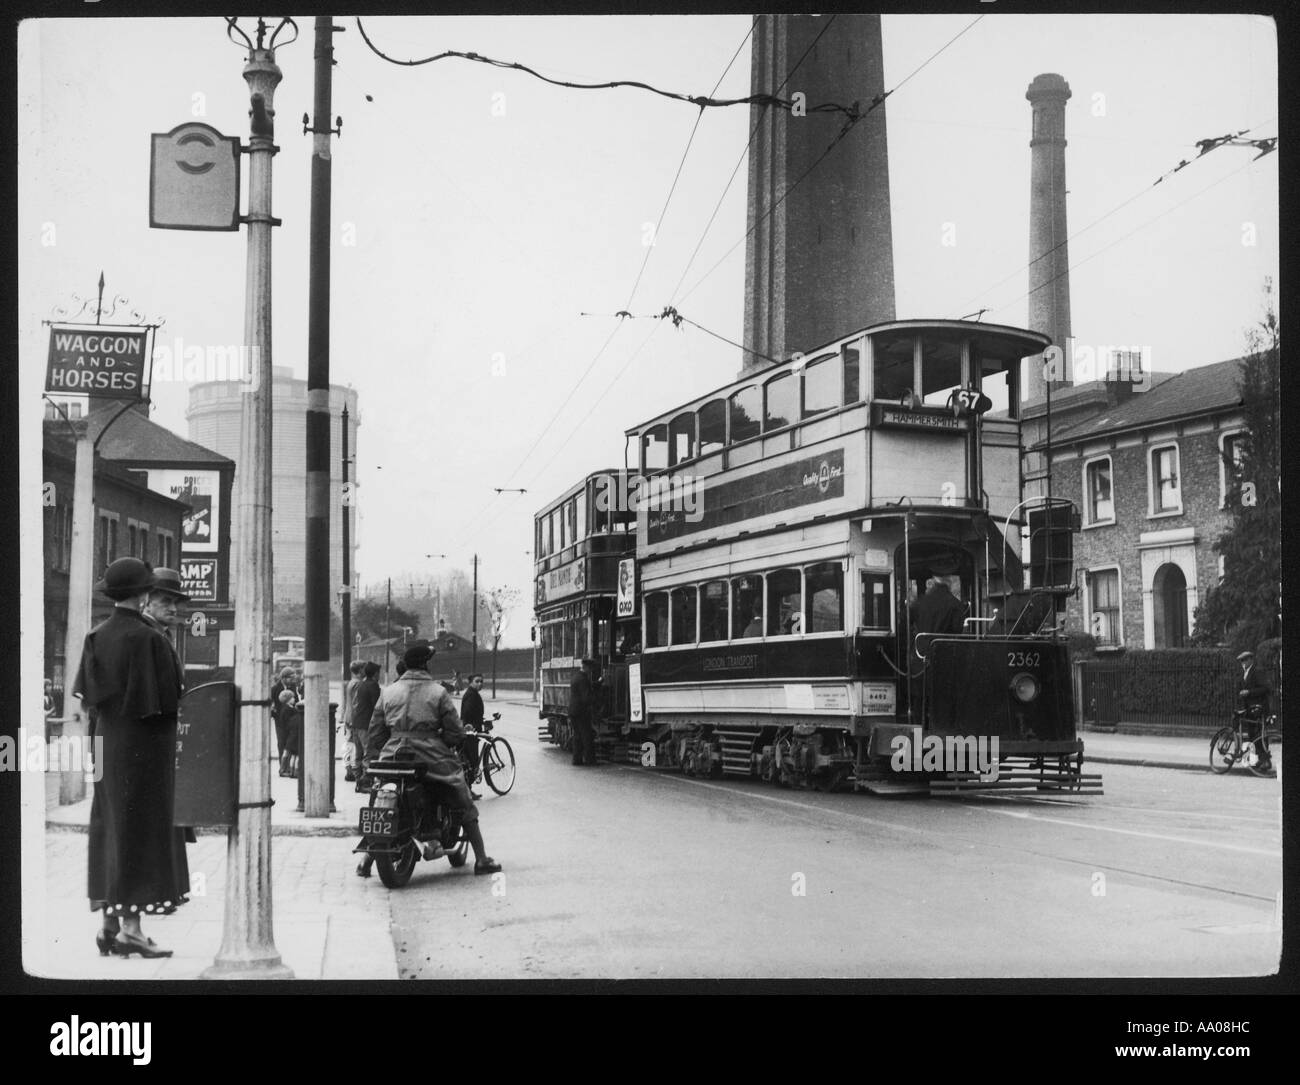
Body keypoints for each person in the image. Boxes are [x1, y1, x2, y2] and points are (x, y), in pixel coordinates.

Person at [73, 558, 190, 959]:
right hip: (144, 749)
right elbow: (169, 702)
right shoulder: (150, 638)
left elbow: (88, 698)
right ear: (142, 594)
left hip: (106, 744)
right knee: (140, 831)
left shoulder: (96, 635)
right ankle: (131, 931)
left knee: (109, 826)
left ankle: (108, 925)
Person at [362, 641, 501, 876]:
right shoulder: (438, 692)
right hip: (430, 755)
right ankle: (482, 859)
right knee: (461, 793)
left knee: (379, 796)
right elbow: (455, 732)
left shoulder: (389, 691)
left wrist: (375, 755)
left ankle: (365, 862)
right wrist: (443, 742)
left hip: (393, 754)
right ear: (426, 664)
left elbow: (375, 731)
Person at [1236, 650, 1275, 775]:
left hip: (1259, 708)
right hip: (1251, 709)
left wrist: (1249, 692)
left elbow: (1266, 688)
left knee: (1260, 735)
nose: (1242, 663)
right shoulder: (1246, 673)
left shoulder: (1257, 671)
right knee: (1254, 735)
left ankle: (1266, 761)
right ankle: (1261, 760)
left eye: (1244, 660)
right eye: (1241, 661)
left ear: (1250, 660)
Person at [460, 673, 486, 800]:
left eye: (481, 681)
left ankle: (467, 790)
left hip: (470, 730)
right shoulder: (471, 695)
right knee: (472, 762)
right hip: (470, 732)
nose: (480, 684)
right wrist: (472, 726)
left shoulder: (472, 694)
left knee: (468, 761)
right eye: (477, 681)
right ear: (470, 682)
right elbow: (467, 713)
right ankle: (468, 791)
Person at [568, 662, 597, 766]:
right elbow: (586, 698)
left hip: (573, 711)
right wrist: (595, 699)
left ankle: (577, 760)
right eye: (590, 668)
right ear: (586, 668)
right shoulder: (583, 679)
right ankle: (590, 760)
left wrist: (596, 684)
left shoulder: (576, 676)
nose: (591, 670)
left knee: (577, 736)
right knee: (587, 736)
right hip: (581, 712)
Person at [341, 660, 365, 782]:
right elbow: (357, 703)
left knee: (350, 745)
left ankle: (349, 769)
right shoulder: (358, 684)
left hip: (349, 716)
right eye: (364, 668)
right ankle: (352, 770)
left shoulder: (352, 682)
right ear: (360, 670)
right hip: (354, 718)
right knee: (354, 746)